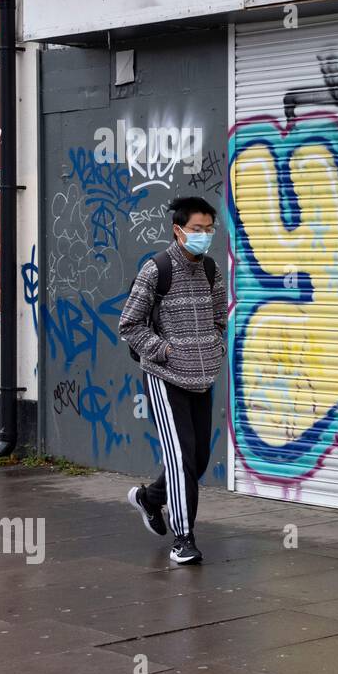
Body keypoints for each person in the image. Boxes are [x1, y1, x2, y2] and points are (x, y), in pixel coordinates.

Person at [118, 196, 227, 564]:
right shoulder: (157, 270)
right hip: (165, 377)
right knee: (180, 458)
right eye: (197, 229)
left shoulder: (211, 270)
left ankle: (149, 498)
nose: (204, 235)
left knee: (198, 458)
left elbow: (219, 318)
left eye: (209, 229)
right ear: (178, 230)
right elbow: (129, 324)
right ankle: (183, 539)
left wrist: (214, 347)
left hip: (202, 377)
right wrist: (164, 351)